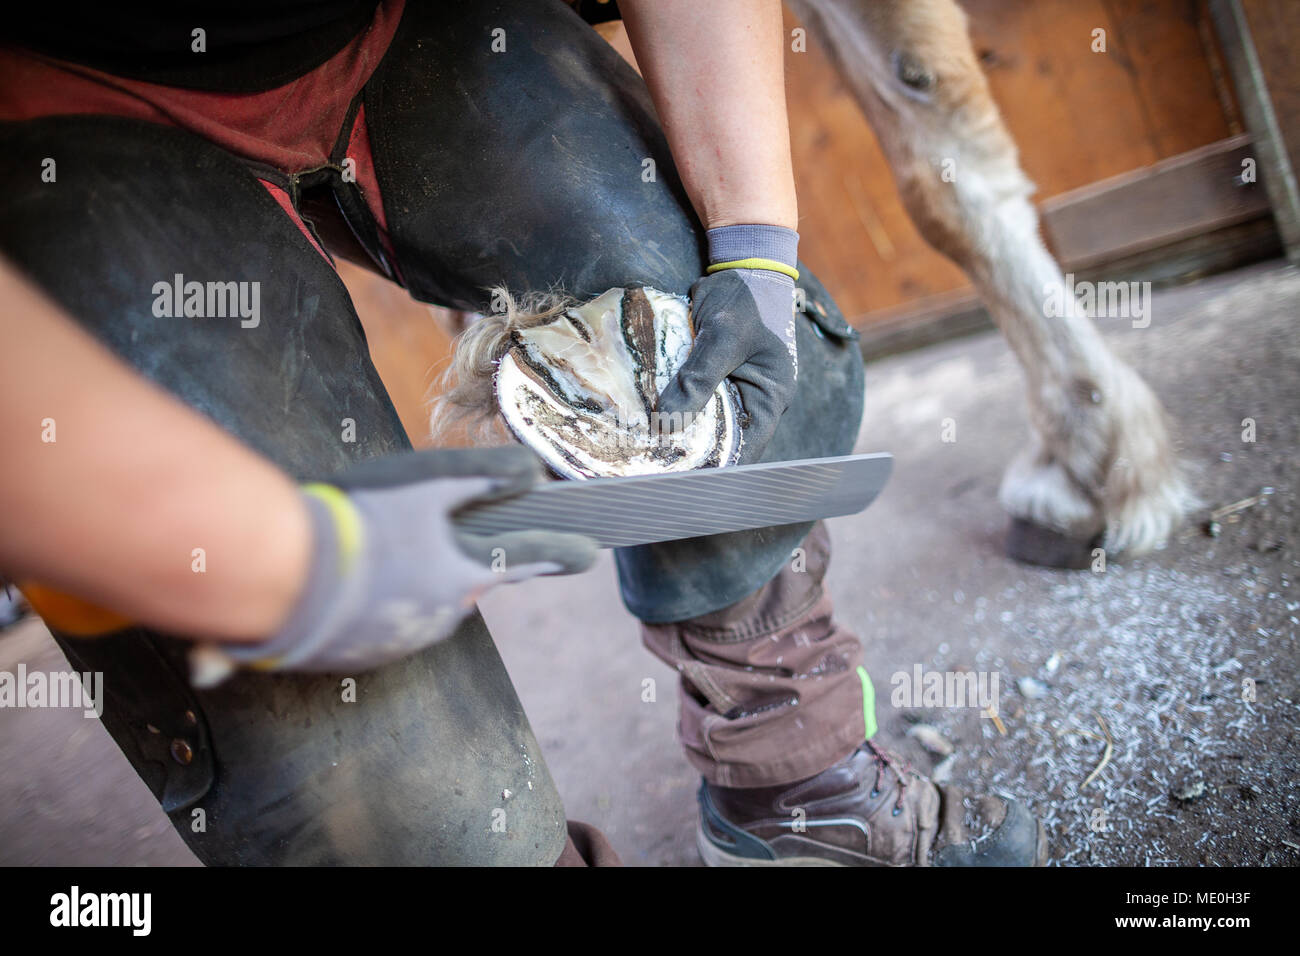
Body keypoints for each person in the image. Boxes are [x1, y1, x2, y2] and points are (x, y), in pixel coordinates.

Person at [0, 0, 1046, 865]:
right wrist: (283, 567)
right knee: (371, 767)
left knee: (688, 324)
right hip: (54, 103)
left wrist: (756, 249)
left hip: (408, 22)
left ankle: (796, 788)